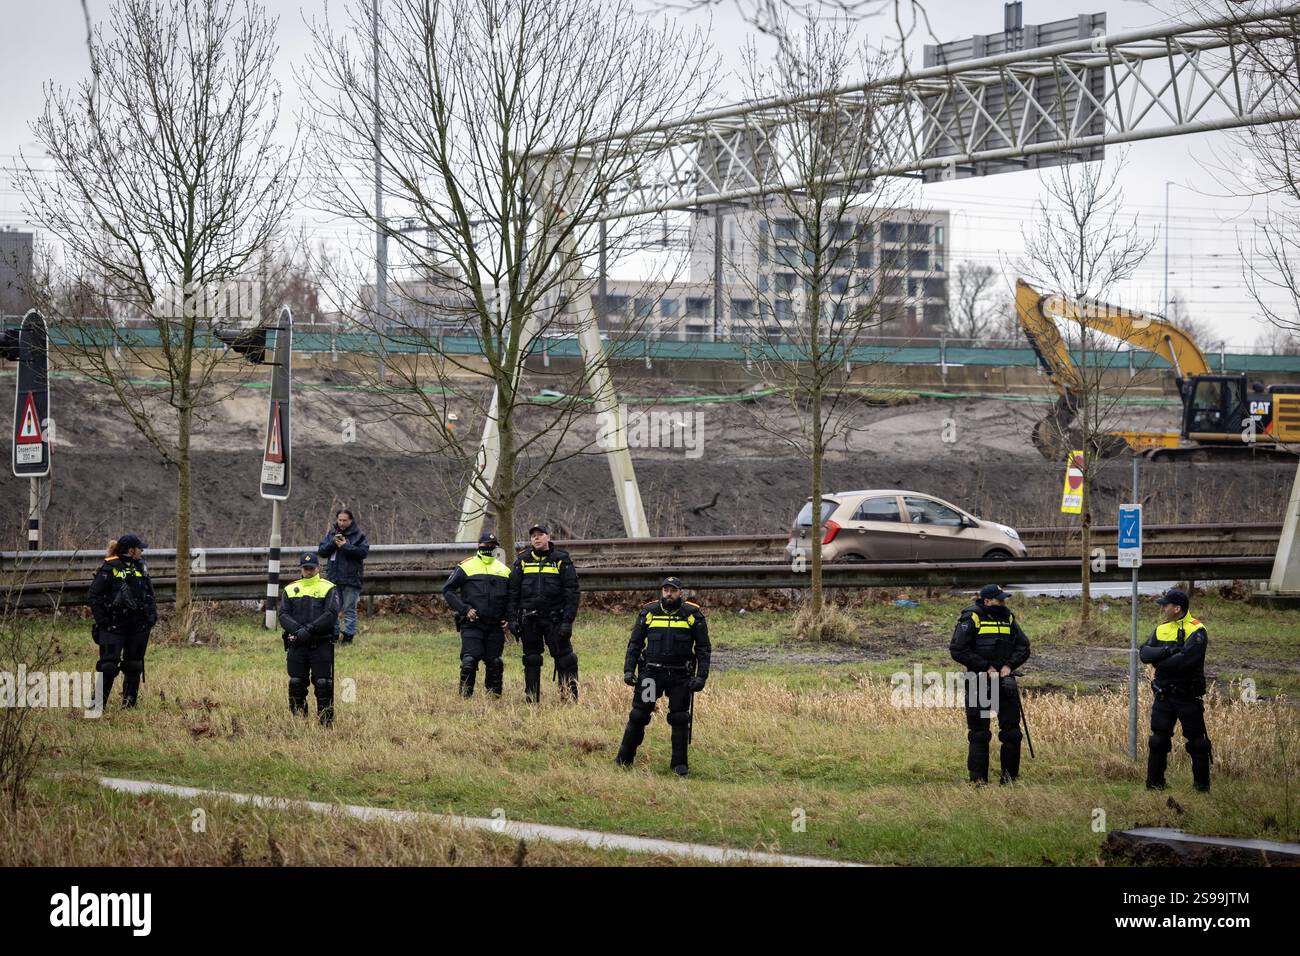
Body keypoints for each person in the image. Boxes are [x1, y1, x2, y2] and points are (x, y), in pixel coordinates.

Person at [615, 577, 711, 776]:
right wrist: (628, 670)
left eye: (673, 590)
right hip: (652, 675)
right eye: (666, 590)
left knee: (679, 718)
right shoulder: (649, 612)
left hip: (679, 676)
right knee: (639, 714)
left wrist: (701, 677)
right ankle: (623, 759)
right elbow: (635, 644)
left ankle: (679, 765)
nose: (669, 593)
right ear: (662, 592)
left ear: (680, 593)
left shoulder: (692, 614)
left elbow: (703, 649)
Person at [949, 583, 1031, 785]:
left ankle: (1009, 779)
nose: (1003, 602)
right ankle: (978, 781)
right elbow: (958, 649)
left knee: (1012, 733)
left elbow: (1023, 646)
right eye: (999, 599)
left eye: (1004, 599)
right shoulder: (972, 617)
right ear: (986, 601)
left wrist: (1009, 666)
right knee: (979, 734)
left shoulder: (1008, 617)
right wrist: (986, 667)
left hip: (1004, 681)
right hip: (978, 681)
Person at [1139, 588, 1212, 792]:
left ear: (1177, 608)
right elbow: (1144, 653)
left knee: (1197, 743)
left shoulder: (1197, 630)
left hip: (1187, 695)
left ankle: (1201, 788)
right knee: (1157, 740)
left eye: (1166, 605)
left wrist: (1159, 661)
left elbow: (1185, 661)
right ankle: (1154, 785)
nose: (1162, 608)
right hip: (1163, 695)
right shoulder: (1161, 628)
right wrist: (1168, 651)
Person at [507, 523, 581, 703]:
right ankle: (532, 699)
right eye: (533, 536)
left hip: (555, 618)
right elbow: (513, 593)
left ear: (548, 537)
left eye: (540, 535)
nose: (536, 538)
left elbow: (572, 592)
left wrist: (567, 621)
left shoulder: (561, 559)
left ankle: (569, 699)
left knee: (565, 659)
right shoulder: (522, 560)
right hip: (529, 619)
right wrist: (512, 620)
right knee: (531, 659)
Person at [88, 533, 157, 708]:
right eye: (139, 548)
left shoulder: (141, 566)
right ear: (131, 550)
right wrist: (103, 621)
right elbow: (94, 596)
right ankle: (97, 705)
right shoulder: (109, 566)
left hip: (138, 625)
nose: (142, 551)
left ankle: (129, 705)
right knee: (108, 666)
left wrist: (151, 617)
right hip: (114, 625)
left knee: (134, 664)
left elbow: (149, 593)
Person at [442, 531, 511, 697]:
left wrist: (509, 617)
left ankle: (494, 699)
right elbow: (448, 590)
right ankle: (465, 698)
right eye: (485, 546)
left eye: (492, 546)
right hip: (472, 624)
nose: (489, 549)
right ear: (478, 546)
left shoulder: (504, 570)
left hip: (495, 625)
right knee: (469, 661)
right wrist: (465, 610)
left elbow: (511, 598)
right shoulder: (466, 566)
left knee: (495, 663)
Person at [278, 553, 341, 726]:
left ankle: (325, 722)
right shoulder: (290, 589)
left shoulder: (328, 588)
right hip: (297, 643)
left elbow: (331, 614)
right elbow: (283, 615)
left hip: (320, 643)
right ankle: (299, 720)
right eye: (305, 568)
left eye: (311, 568)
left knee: (323, 684)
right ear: (301, 569)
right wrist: (299, 631)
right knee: (296, 683)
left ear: (318, 568)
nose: (308, 571)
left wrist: (310, 630)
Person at [318, 509, 369, 644]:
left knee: (349, 609)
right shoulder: (332, 533)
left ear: (350, 520)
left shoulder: (359, 535)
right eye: (339, 520)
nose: (341, 522)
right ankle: (333, 635)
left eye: (344, 520)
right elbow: (322, 551)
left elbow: (363, 552)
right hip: (334, 578)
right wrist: (333, 543)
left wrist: (345, 546)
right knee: (332, 609)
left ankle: (348, 636)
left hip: (351, 579)